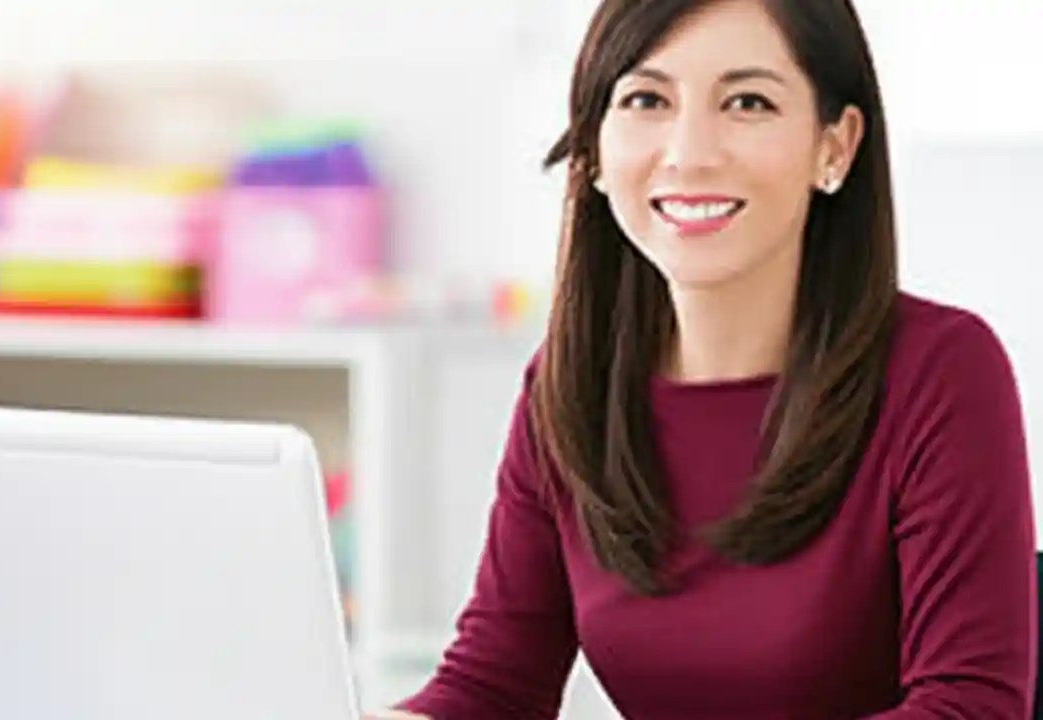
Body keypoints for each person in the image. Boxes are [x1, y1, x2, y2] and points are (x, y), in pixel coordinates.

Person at [368, 0, 1037, 717]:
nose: (689, 152)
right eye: (647, 99)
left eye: (747, 102)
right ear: (593, 150)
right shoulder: (571, 386)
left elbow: (970, 707)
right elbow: (492, 687)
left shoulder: (940, 372)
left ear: (834, 146)